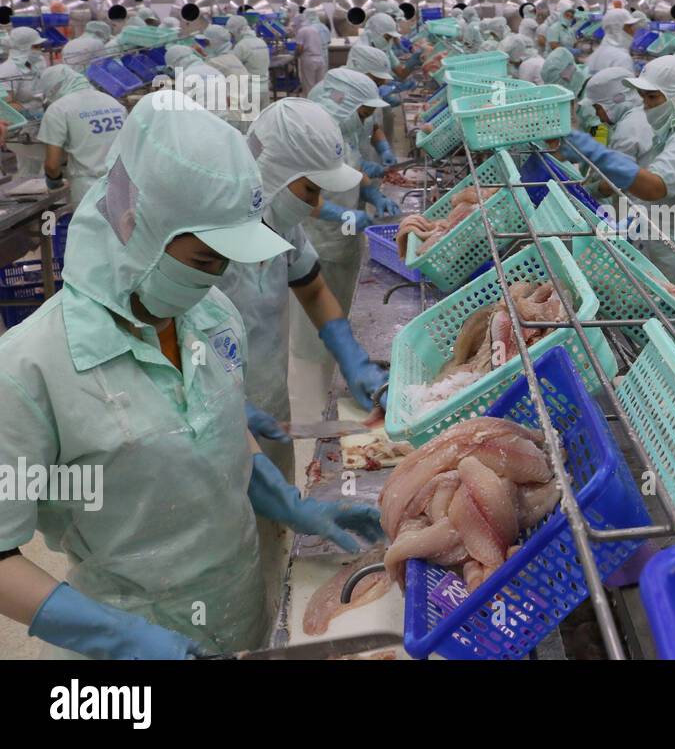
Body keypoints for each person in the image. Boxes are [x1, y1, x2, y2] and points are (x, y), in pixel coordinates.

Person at [0, 91, 381, 659]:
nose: (217, 278)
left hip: (240, 603)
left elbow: (224, 432)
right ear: (134, 225)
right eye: (204, 261)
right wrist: (123, 638)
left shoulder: (211, 317)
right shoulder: (32, 368)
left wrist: (288, 501)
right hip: (130, 632)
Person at [564, 56, 675, 360]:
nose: (646, 105)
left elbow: (656, 186)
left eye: (653, 97)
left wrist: (597, 155)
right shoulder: (671, 133)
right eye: (644, 97)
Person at [220, 98, 380, 433]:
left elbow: (313, 288)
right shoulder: (213, 235)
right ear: (275, 172)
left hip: (273, 402)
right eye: (309, 188)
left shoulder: (282, 223)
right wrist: (221, 410)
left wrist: (351, 355)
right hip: (212, 420)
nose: (313, 201)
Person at [296, 69, 398, 342]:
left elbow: (351, 166)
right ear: (343, 106)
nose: (365, 121)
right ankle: (318, 373)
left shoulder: (342, 132)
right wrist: (344, 215)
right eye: (363, 114)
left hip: (344, 237)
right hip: (320, 241)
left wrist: (373, 193)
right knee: (317, 324)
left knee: (343, 302)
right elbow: (300, 198)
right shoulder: (313, 138)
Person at [35, 66, 126, 209]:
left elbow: (52, 165)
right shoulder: (114, 103)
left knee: (92, 230)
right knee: (123, 229)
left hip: (88, 190)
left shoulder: (59, 109)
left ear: (52, 89)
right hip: (122, 184)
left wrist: (55, 182)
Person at [585, 67, 653, 168]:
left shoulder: (628, 129)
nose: (597, 115)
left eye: (597, 108)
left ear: (615, 102)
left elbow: (616, 176)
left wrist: (593, 184)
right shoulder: (646, 113)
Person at [225, 15, 271, 112]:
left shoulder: (241, 46)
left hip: (250, 91)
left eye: (232, 34)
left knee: (250, 124)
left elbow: (231, 67)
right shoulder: (261, 42)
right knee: (263, 121)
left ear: (236, 30)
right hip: (264, 89)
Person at [0, 27, 48, 116]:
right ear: (22, 47)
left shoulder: (38, 61)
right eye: (35, 46)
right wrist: (28, 110)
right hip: (23, 121)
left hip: (42, 111)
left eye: (40, 46)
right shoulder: (7, 70)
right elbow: (5, 106)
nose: (39, 50)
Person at [586, 8, 638, 75]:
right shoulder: (622, 59)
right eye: (629, 27)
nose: (634, 31)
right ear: (617, 28)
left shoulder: (595, 54)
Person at [292, 13, 328, 94]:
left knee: (309, 86)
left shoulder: (301, 31)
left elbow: (300, 48)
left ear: (298, 23)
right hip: (320, 59)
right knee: (319, 87)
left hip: (309, 61)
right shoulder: (314, 29)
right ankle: (319, 104)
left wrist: (294, 56)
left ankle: (309, 105)